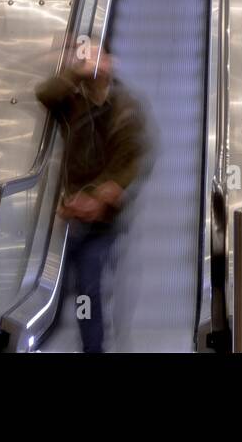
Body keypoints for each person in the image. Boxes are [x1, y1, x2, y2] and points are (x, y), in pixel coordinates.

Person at [35, 45, 149, 352]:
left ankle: (94, 345)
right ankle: (85, 335)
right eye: (87, 57)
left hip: (107, 216)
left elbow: (135, 157)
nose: (93, 63)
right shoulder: (73, 101)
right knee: (81, 286)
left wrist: (104, 194)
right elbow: (44, 95)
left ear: (112, 61)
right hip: (75, 210)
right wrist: (74, 71)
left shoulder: (127, 106)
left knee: (88, 284)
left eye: (98, 56)